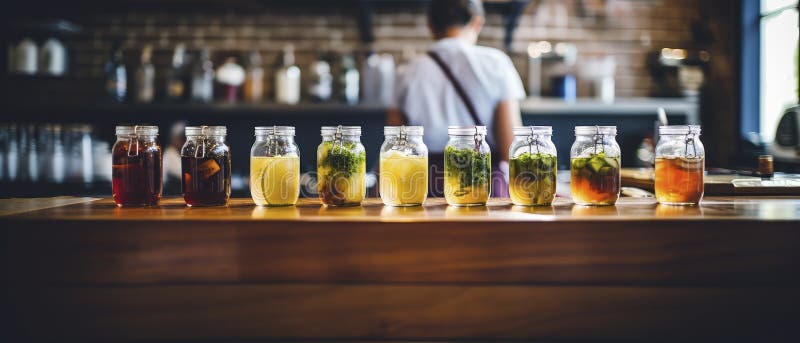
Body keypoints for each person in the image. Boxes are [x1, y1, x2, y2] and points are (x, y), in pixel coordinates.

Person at [388, 0, 526, 197]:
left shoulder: (406, 72)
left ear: (430, 25)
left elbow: (395, 148)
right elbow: (510, 149)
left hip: (425, 187)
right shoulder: (497, 64)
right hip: (484, 186)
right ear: (477, 22)